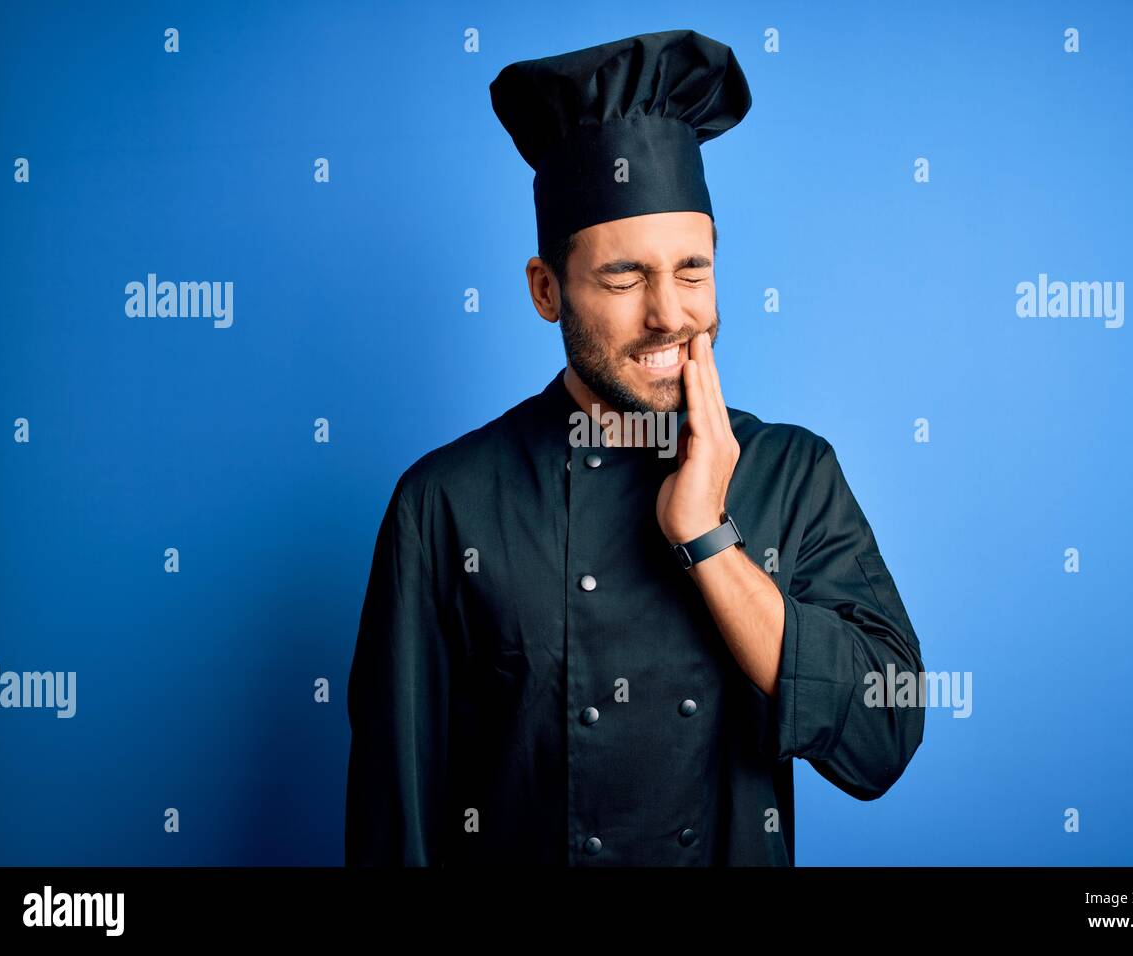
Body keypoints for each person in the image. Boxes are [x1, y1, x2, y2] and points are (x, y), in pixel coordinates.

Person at [344, 29, 925, 866]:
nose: (670, 313)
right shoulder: (446, 502)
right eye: (624, 278)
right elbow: (395, 813)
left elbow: (885, 734)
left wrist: (708, 542)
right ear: (547, 291)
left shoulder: (793, 474)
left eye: (692, 270)